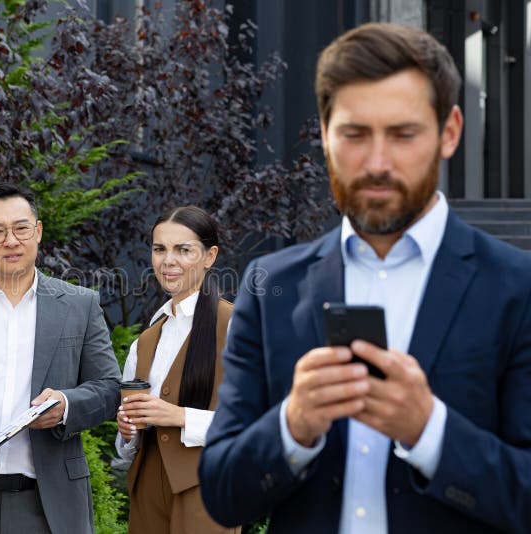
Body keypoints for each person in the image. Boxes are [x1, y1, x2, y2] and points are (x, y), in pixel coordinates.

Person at [199, 22, 531, 534]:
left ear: (450, 132)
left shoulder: (517, 288)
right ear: (326, 134)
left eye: (403, 134)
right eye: (354, 134)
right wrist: (292, 427)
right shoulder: (270, 286)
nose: (377, 163)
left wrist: (430, 431)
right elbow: (221, 493)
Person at [0, 183, 121, 534]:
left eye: (21, 228)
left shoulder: (79, 304)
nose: (11, 240)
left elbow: (108, 388)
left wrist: (66, 403)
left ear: (38, 231)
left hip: (51, 504)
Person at [116, 206, 240, 534]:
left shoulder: (237, 327)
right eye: (160, 249)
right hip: (146, 490)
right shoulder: (144, 340)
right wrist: (126, 431)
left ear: (210, 256)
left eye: (183, 250)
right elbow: (127, 442)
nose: (168, 261)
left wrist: (180, 416)